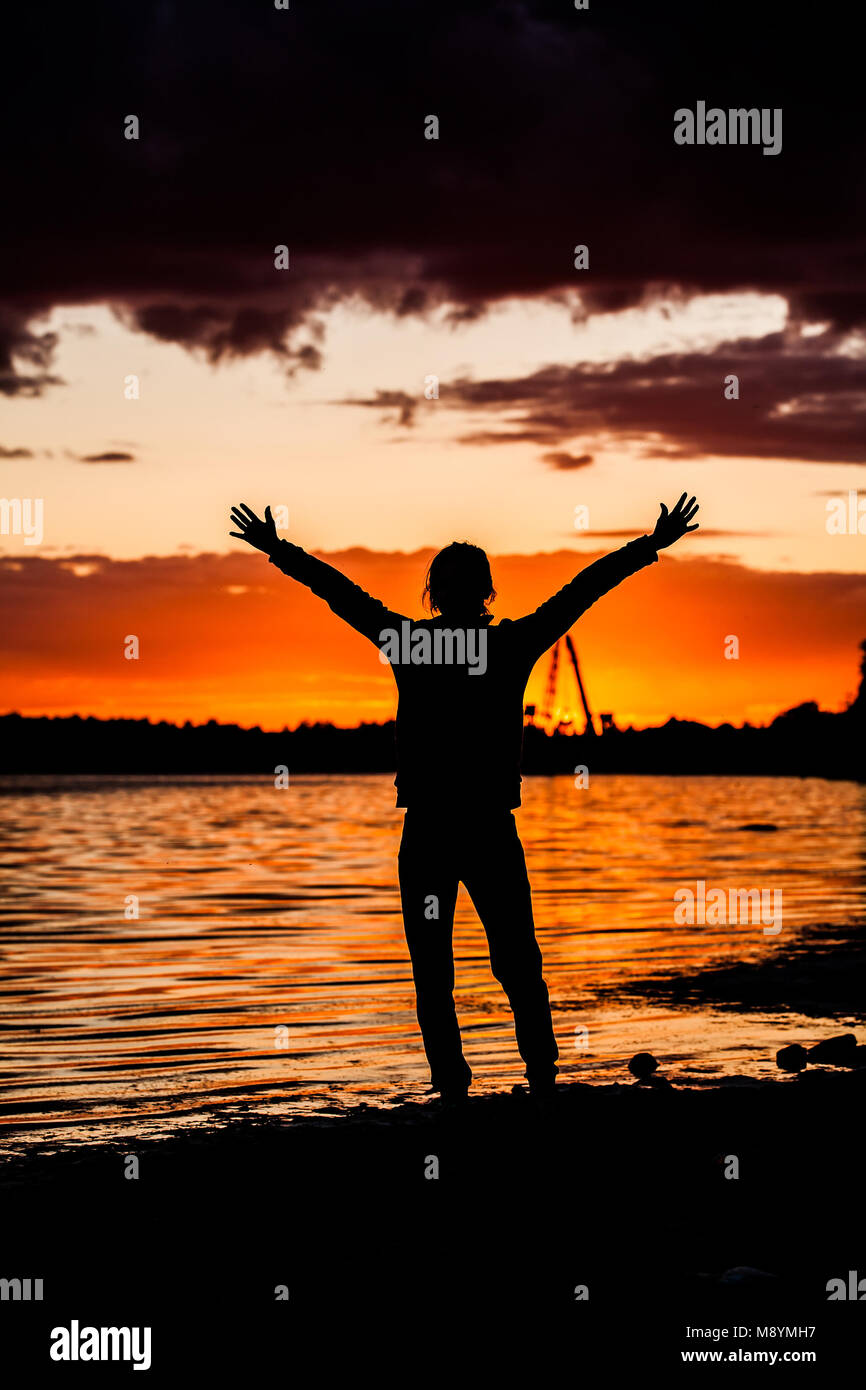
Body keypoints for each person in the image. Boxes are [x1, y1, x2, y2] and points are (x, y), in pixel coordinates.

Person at [229, 493, 700, 1102]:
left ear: (441, 592)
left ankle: (480, 1086)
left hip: (445, 832)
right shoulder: (502, 644)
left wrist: (277, 551)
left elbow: (339, 593)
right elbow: (584, 590)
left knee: (459, 967)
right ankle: (525, 1081)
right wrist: (648, 546)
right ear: (484, 592)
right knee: (503, 964)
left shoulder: (420, 644)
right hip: (467, 831)